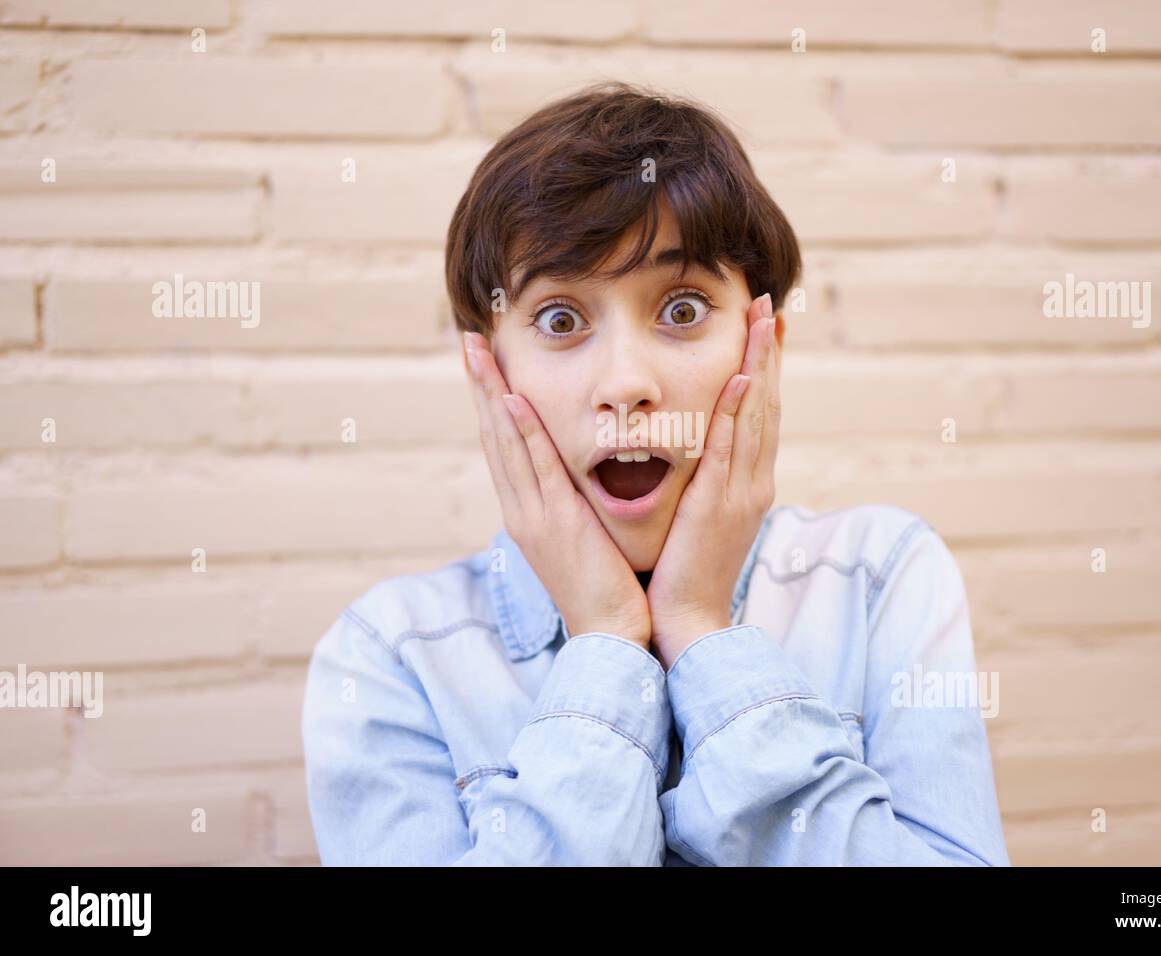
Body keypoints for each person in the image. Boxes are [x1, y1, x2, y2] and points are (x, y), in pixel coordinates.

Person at [301, 81, 1011, 866]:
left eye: (681, 309)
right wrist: (606, 642)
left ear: (763, 343)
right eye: (560, 320)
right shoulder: (392, 655)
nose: (624, 384)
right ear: (488, 372)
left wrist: (702, 630)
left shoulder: (879, 578)